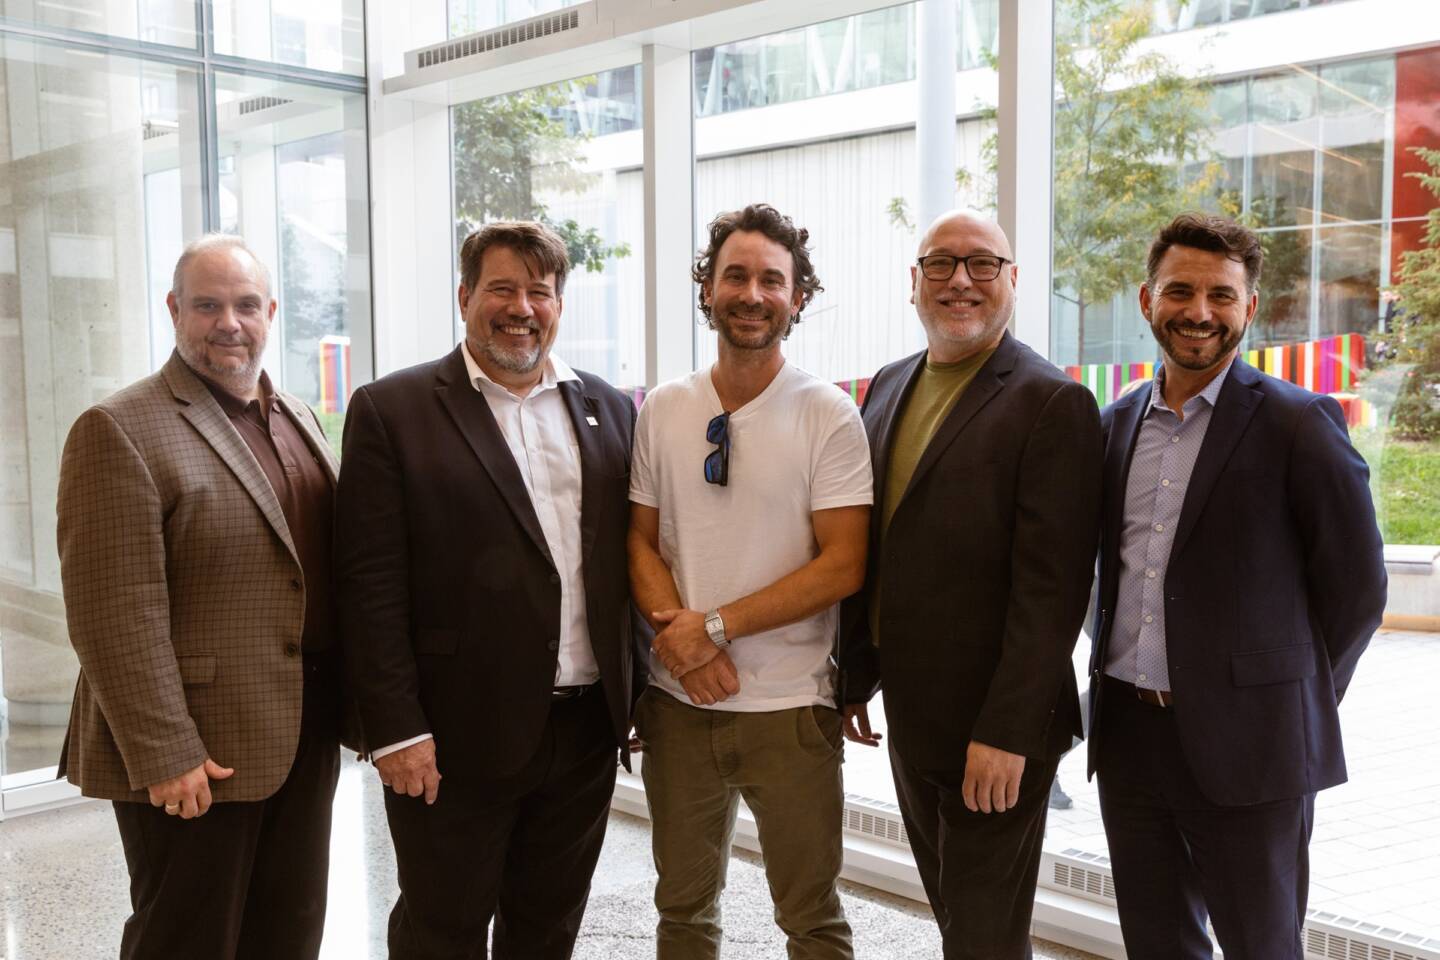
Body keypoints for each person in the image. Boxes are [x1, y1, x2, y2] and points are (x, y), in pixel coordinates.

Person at [335, 220, 640, 960]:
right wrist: (396, 732)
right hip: (451, 736)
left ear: (560, 304)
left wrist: (636, 690)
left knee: (549, 926)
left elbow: (628, 559)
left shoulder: (610, 408)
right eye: (502, 288)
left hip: (583, 731)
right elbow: (368, 584)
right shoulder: (393, 410)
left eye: (540, 291)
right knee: (443, 927)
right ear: (466, 295)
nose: (521, 307)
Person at [1086, 212, 1387, 960]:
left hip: (1255, 748)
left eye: (1221, 295)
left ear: (1249, 307)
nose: (1199, 312)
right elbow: (1106, 572)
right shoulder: (1115, 423)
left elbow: (1357, 590)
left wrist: (1288, 697)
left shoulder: (1298, 423)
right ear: (1146, 299)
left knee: (1262, 946)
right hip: (1130, 739)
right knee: (1157, 944)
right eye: (1180, 291)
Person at [55, 233, 350, 959]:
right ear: (174, 310)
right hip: (198, 750)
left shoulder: (297, 418)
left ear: (271, 311)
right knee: (186, 939)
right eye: (208, 305)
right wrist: (164, 752)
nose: (230, 323)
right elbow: (112, 612)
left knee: (286, 933)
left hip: (299, 732)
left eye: (247, 305)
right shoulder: (120, 428)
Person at [839, 211, 1103, 960]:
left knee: (985, 934)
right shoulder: (889, 386)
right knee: (954, 911)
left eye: (983, 264)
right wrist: (857, 673)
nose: (961, 280)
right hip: (913, 711)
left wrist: (1007, 734)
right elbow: (879, 544)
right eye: (941, 264)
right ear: (914, 284)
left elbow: (1053, 591)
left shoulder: (1052, 402)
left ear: (1013, 281)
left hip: (996, 727)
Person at [628, 203, 872, 960]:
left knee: (813, 921)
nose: (753, 293)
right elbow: (639, 540)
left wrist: (715, 628)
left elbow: (843, 563)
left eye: (773, 279)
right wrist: (685, 643)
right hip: (678, 707)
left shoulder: (828, 414)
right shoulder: (664, 408)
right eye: (735, 275)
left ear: (798, 297)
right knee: (683, 913)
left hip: (790, 711)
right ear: (708, 287)